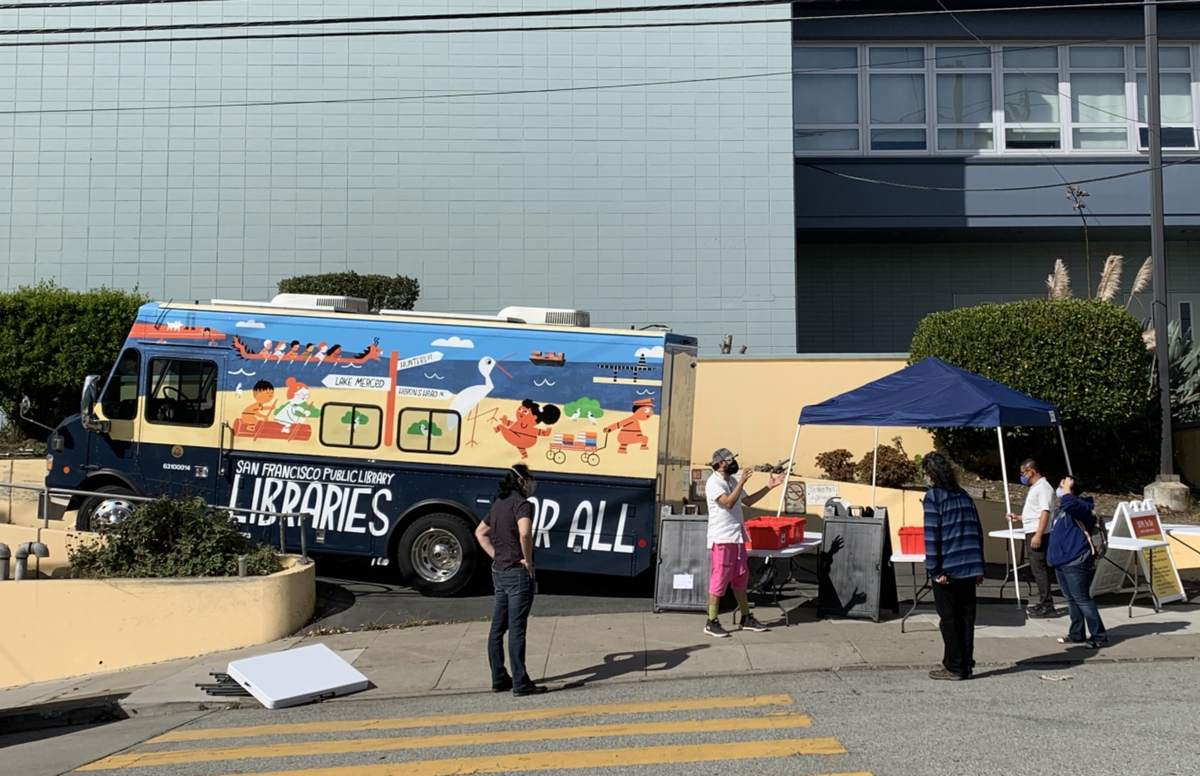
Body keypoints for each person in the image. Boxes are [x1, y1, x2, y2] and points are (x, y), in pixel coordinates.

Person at [474, 463, 547, 696]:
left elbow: (480, 533)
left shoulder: (498, 504)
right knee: (517, 629)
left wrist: (497, 554)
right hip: (517, 572)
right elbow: (525, 532)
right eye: (531, 478)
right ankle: (521, 682)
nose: (533, 482)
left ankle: (499, 677)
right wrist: (527, 560)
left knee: (497, 628)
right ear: (521, 481)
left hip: (499, 571)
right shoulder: (522, 504)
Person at [704, 447, 785, 638]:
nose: (734, 462)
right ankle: (711, 621)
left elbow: (747, 501)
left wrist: (770, 486)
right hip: (722, 538)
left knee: (741, 577)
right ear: (720, 462)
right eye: (730, 460)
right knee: (719, 579)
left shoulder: (731, 480)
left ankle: (746, 617)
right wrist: (741, 481)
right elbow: (728, 503)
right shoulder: (713, 482)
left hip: (737, 537)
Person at [922, 452, 985, 681]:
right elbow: (977, 531)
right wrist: (979, 567)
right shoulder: (964, 495)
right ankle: (966, 664)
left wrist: (934, 569)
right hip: (969, 565)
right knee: (966, 618)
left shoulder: (934, 497)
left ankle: (954, 666)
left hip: (949, 566)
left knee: (949, 619)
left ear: (931, 475)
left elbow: (932, 535)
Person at [1048, 475, 1108, 649]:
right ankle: (1076, 633)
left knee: (1082, 599)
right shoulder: (1062, 509)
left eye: (1063, 486)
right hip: (1061, 561)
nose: (1059, 489)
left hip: (1076, 560)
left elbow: (1071, 504)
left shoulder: (1081, 506)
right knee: (1071, 599)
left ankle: (1099, 636)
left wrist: (1068, 490)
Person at [1006, 458, 1057, 618]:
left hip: (1036, 532)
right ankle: (1043, 601)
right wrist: (1019, 518)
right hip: (1031, 529)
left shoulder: (1043, 488)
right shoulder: (1036, 488)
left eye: (1023, 473)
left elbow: (1045, 512)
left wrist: (1038, 534)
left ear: (1030, 471)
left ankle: (1047, 603)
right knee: (1036, 568)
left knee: (1039, 568)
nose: (1022, 476)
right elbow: (1035, 513)